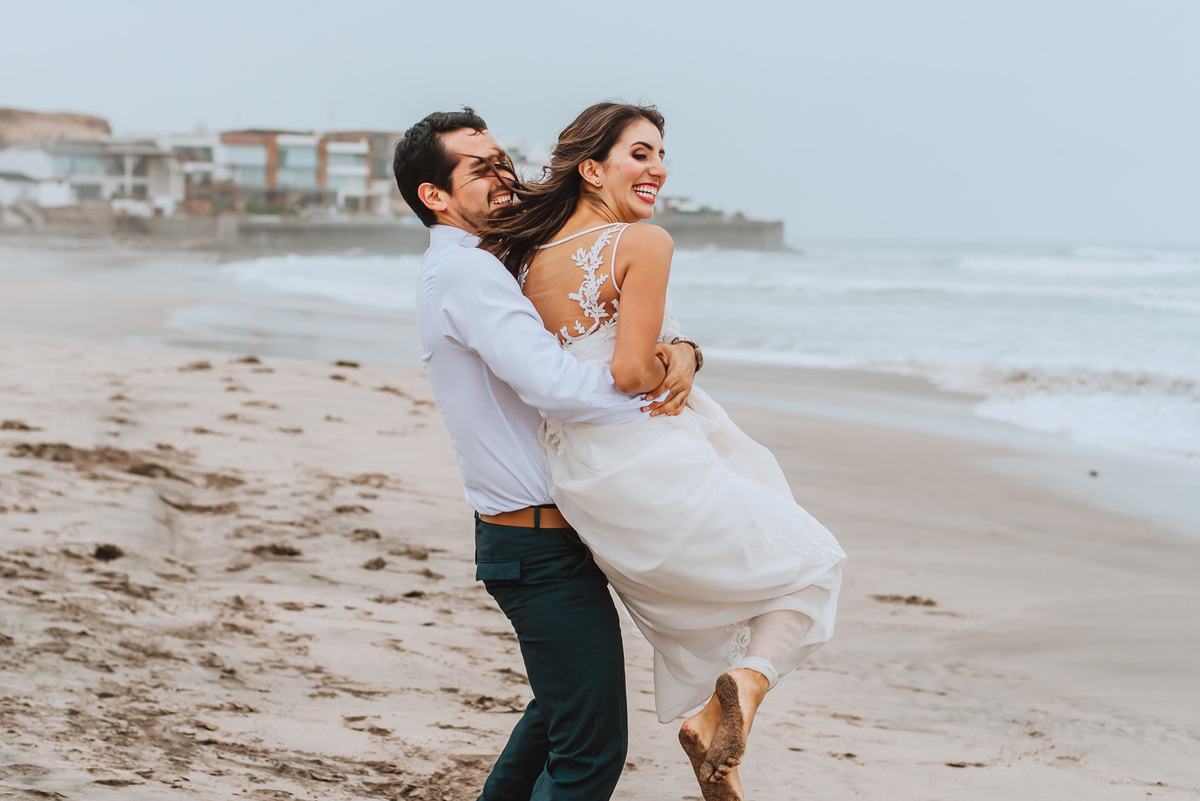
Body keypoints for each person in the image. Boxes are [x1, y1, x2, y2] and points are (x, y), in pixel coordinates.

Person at [479, 102, 847, 801]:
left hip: (582, 477)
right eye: (640, 154)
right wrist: (672, 356)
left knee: (757, 574)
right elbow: (627, 372)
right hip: (645, 457)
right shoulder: (641, 244)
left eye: (660, 155)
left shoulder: (524, 261)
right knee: (815, 564)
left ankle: (724, 714)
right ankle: (734, 694)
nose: (658, 169)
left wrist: (683, 350)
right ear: (592, 168)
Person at [393, 108, 701, 801]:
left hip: (540, 536)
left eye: (503, 159)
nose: (503, 175)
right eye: (480, 168)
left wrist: (681, 349)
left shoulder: (486, 264)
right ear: (434, 197)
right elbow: (557, 387)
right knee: (590, 749)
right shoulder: (466, 276)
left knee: (557, 718)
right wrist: (655, 385)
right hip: (535, 546)